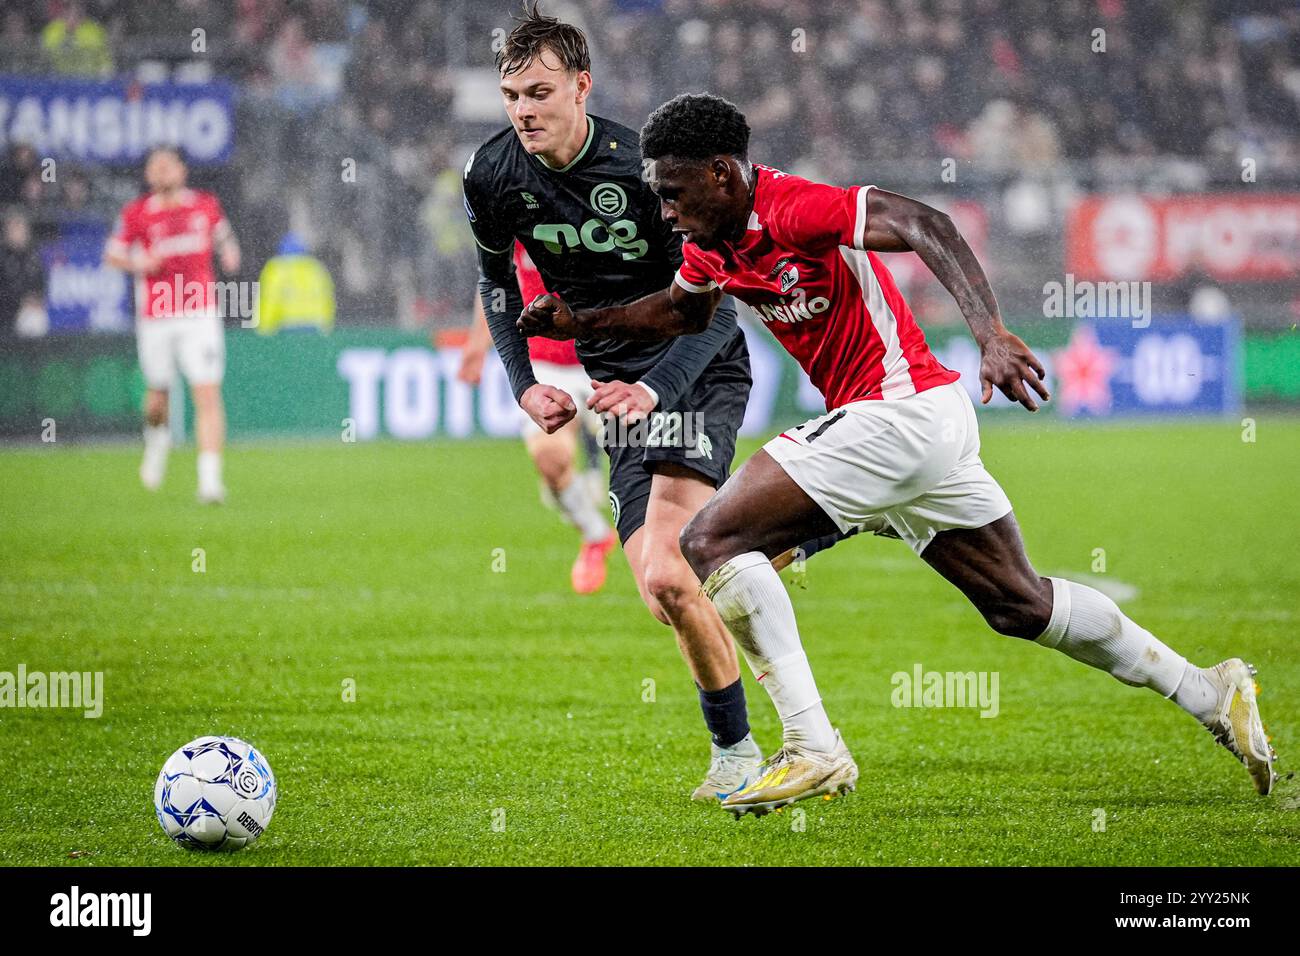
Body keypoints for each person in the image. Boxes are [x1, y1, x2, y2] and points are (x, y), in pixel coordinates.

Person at [519, 93, 1278, 816]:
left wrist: (989, 332)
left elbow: (927, 222)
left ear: (725, 171)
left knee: (709, 539)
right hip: (910, 432)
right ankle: (1209, 690)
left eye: (676, 190)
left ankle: (813, 745)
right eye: (659, 194)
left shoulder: (794, 206)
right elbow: (681, 311)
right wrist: (581, 318)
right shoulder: (714, 244)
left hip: (900, 412)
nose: (666, 209)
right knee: (1020, 604)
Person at [462, 4, 767, 800]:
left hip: (694, 372)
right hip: (614, 388)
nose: (523, 110)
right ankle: (758, 547)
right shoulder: (491, 175)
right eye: (510, 95)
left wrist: (652, 387)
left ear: (582, 85)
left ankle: (739, 754)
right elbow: (494, 285)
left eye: (538, 91)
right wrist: (522, 381)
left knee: (672, 574)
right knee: (664, 592)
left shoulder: (645, 168)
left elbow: (717, 307)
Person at [457, 240, 616, 594]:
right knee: (550, 459)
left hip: (609, 352)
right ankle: (595, 535)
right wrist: (475, 346)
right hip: (545, 361)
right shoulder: (515, 216)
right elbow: (494, 283)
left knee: (645, 460)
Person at [104, 146, 241, 504]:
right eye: (156, 166)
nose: (162, 172)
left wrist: (229, 251)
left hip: (199, 313)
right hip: (157, 316)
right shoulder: (136, 213)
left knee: (207, 393)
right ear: (148, 174)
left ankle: (210, 482)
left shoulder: (205, 205)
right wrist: (139, 262)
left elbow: (223, 233)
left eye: (168, 165)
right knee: (157, 398)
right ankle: (157, 442)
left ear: (182, 170)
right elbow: (112, 254)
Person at [255, 233, 336, 335]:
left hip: (286, 325)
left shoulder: (277, 268)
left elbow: (270, 299)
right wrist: (327, 325)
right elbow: (327, 297)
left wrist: (264, 327)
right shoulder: (315, 268)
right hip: (314, 325)